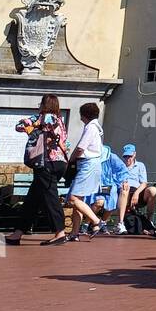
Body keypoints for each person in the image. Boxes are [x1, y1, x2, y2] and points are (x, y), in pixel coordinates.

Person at [4, 94, 70, 245]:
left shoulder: (43, 117)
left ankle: (60, 233)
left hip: (46, 162)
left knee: (50, 197)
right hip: (59, 162)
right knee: (32, 200)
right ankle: (18, 233)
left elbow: (19, 125)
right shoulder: (60, 120)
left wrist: (31, 128)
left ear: (44, 104)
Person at [66, 103, 106, 240]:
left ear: (84, 115)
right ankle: (74, 233)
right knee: (79, 200)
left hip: (88, 164)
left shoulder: (91, 128)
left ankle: (96, 221)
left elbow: (80, 148)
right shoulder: (96, 127)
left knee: (73, 198)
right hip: (93, 164)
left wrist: (70, 160)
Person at [113, 144, 155, 233]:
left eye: (130, 156)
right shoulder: (119, 166)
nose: (128, 158)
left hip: (137, 191)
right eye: (125, 156)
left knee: (153, 190)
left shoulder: (140, 165)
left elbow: (144, 183)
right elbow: (115, 181)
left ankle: (149, 221)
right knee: (125, 189)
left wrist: (136, 193)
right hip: (123, 191)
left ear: (134, 154)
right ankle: (120, 223)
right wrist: (122, 183)